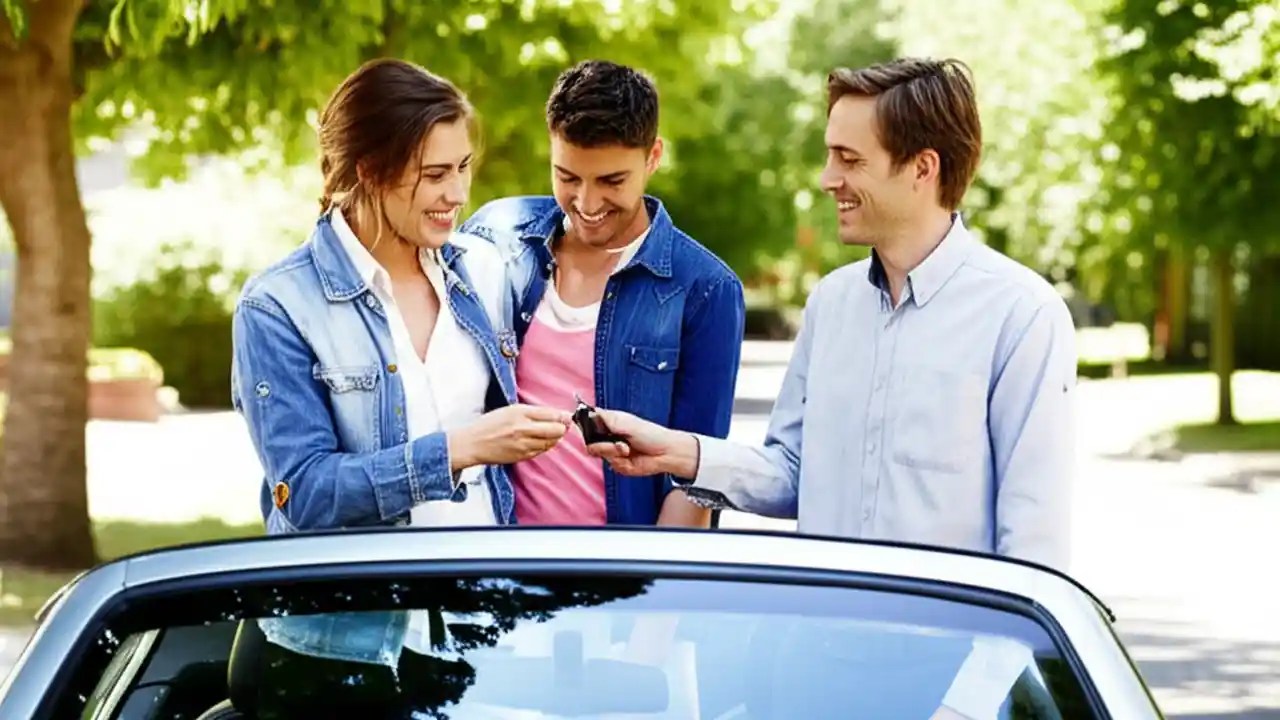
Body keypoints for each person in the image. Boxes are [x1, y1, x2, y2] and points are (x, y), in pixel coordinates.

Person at [585, 58, 1079, 720]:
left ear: (921, 168)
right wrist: (678, 453)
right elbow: (792, 471)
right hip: (816, 666)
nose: (828, 180)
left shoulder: (1021, 315)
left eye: (849, 159)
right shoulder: (832, 305)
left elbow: (1035, 553)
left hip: (953, 678)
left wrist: (965, 709)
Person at [229, 58, 570, 716]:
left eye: (464, 167)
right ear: (370, 171)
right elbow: (307, 493)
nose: (457, 194)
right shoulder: (279, 305)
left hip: (476, 637)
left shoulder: (482, 270)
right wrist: (457, 450)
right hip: (337, 652)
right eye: (435, 175)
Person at [458, 60, 745, 529]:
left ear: (653, 157)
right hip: (493, 562)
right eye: (568, 177)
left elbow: (696, 477)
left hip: (618, 575)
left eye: (612, 181)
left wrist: (653, 596)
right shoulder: (496, 236)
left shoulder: (704, 288)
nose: (587, 204)